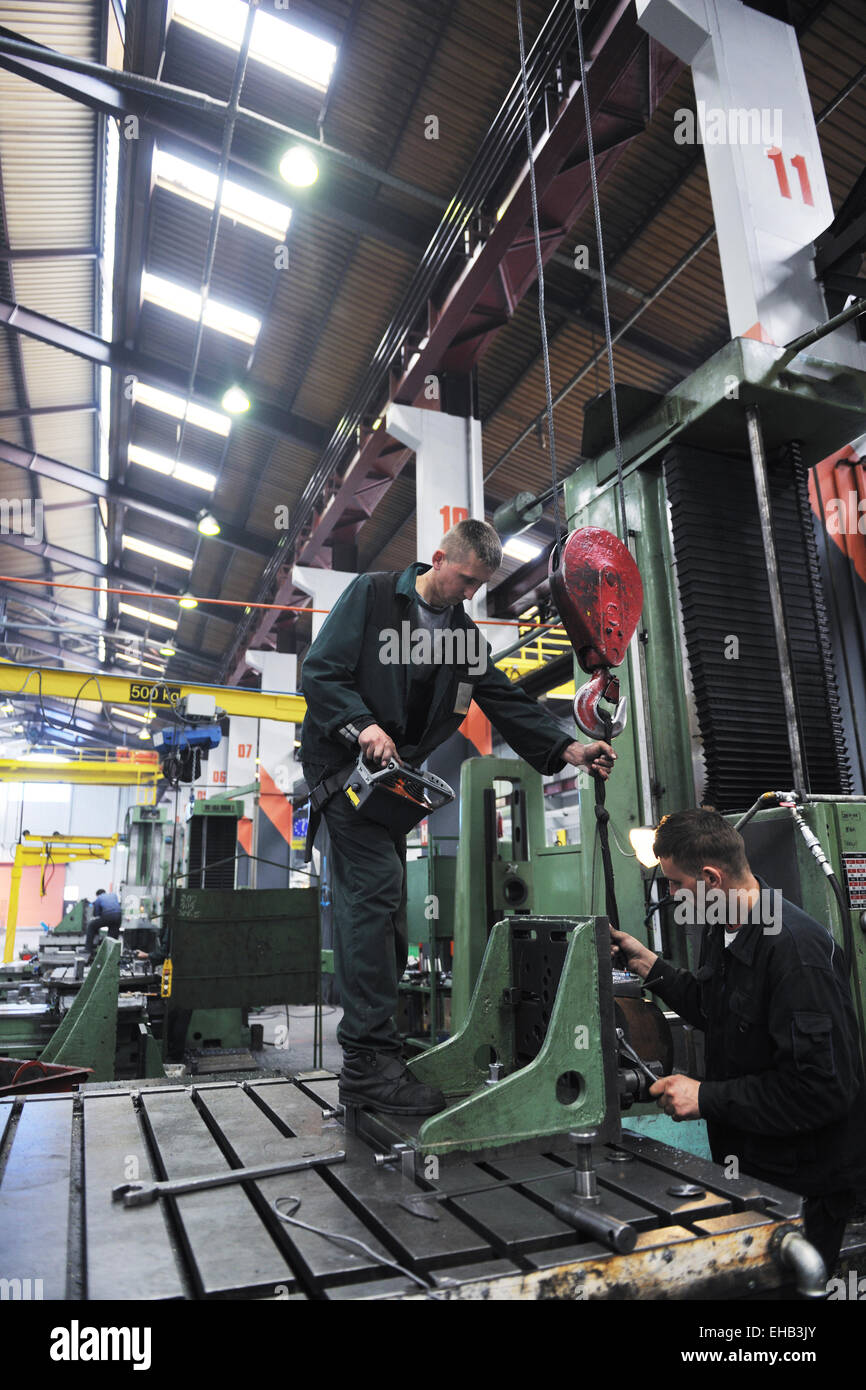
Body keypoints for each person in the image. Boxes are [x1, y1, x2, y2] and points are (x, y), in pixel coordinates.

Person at [301, 518, 616, 1115]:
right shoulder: (373, 596)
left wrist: (567, 748)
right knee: (372, 898)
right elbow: (320, 672)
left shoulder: (461, 636)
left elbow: (502, 698)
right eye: (465, 580)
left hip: (390, 785)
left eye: (479, 586)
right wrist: (361, 724)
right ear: (439, 559)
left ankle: (378, 1053)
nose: (469, 593)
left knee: (388, 913)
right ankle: (366, 1065)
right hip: (344, 771)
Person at [610, 808, 866, 1275]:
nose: (671, 896)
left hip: (803, 1186)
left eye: (675, 884)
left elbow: (821, 1090)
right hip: (751, 1165)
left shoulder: (795, 953)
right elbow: (715, 1008)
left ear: (711, 878)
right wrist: (647, 964)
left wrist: (705, 1096)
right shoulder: (726, 926)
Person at [85, 888, 123, 959]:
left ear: (97, 895)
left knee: (91, 926)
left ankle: (88, 949)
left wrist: (97, 917)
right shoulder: (113, 895)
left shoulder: (99, 898)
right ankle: (111, 953)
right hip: (118, 916)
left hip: (108, 916)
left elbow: (96, 913)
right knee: (112, 937)